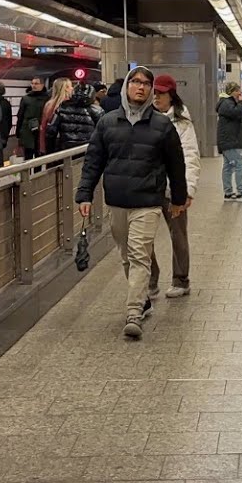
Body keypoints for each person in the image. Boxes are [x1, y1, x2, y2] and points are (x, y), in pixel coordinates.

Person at [76, 67, 188, 339]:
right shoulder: (107, 123)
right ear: (127, 86)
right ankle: (143, 299)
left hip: (148, 202)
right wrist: (84, 193)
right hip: (117, 202)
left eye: (146, 83)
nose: (140, 87)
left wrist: (179, 199)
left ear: (151, 90)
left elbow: (177, 165)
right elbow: (93, 162)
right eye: (135, 82)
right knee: (126, 256)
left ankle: (134, 311)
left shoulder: (162, 125)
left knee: (139, 254)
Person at [147, 74, 200, 299]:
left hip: (172, 189)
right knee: (143, 237)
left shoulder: (182, 122)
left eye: (161, 93)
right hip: (147, 188)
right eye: (155, 93)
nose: (156, 97)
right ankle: (150, 279)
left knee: (178, 235)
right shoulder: (143, 118)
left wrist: (187, 190)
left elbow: (190, 155)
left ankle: (181, 279)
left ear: (171, 95)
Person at [217, 81, 242, 202]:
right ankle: (241, 193)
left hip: (229, 141)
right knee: (240, 165)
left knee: (228, 167)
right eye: (237, 91)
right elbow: (236, 113)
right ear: (232, 92)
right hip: (232, 141)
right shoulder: (227, 103)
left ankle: (228, 193)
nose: (240, 93)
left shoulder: (227, 103)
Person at [50, 82, 103, 151]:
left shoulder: (62, 108)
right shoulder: (97, 111)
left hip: (66, 148)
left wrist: (52, 150)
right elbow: (103, 133)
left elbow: (51, 131)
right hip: (88, 148)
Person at [38, 78, 74, 155]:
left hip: (53, 144)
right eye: (70, 86)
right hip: (68, 144)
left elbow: (43, 127)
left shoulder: (49, 105)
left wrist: (43, 147)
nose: (72, 88)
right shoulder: (71, 105)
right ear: (66, 88)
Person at [16, 76, 48, 161]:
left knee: (39, 156)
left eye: (36, 83)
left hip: (41, 130)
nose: (34, 86)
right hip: (27, 130)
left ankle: (37, 174)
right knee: (28, 156)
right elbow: (20, 115)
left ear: (42, 85)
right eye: (32, 83)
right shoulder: (26, 98)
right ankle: (28, 173)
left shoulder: (47, 98)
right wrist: (18, 132)